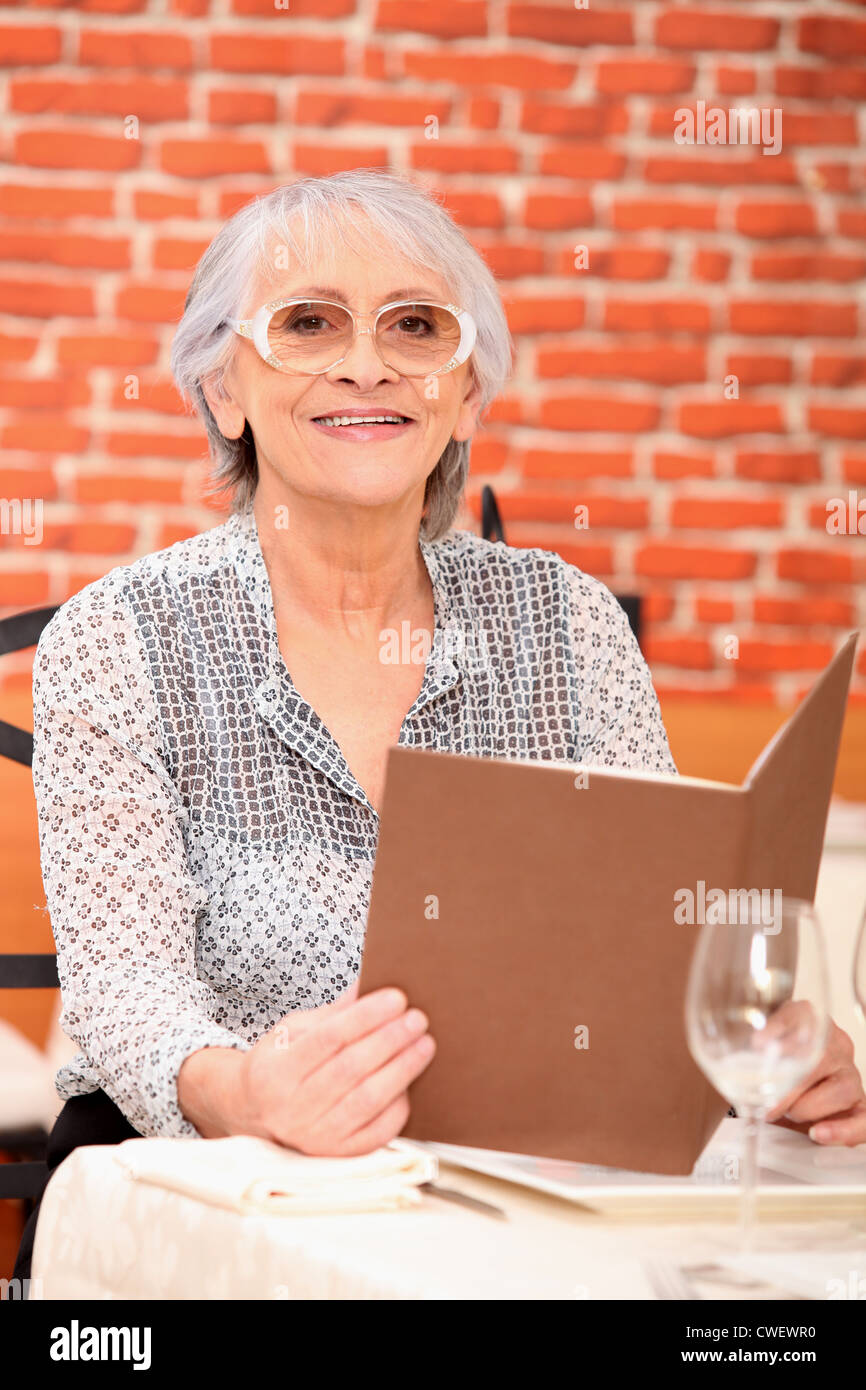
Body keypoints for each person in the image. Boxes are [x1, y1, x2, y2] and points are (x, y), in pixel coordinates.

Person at [14, 169, 866, 1282]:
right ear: (222, 387)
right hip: (226, 1190)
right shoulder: (116, 637)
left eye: (415, 325)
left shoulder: (565, 624)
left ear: (464, 391)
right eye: (308, 321)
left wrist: (756, 1052)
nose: (366, 362)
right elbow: (129, 996)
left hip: (510, 1195)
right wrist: (243, 1086)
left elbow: (661, 942)